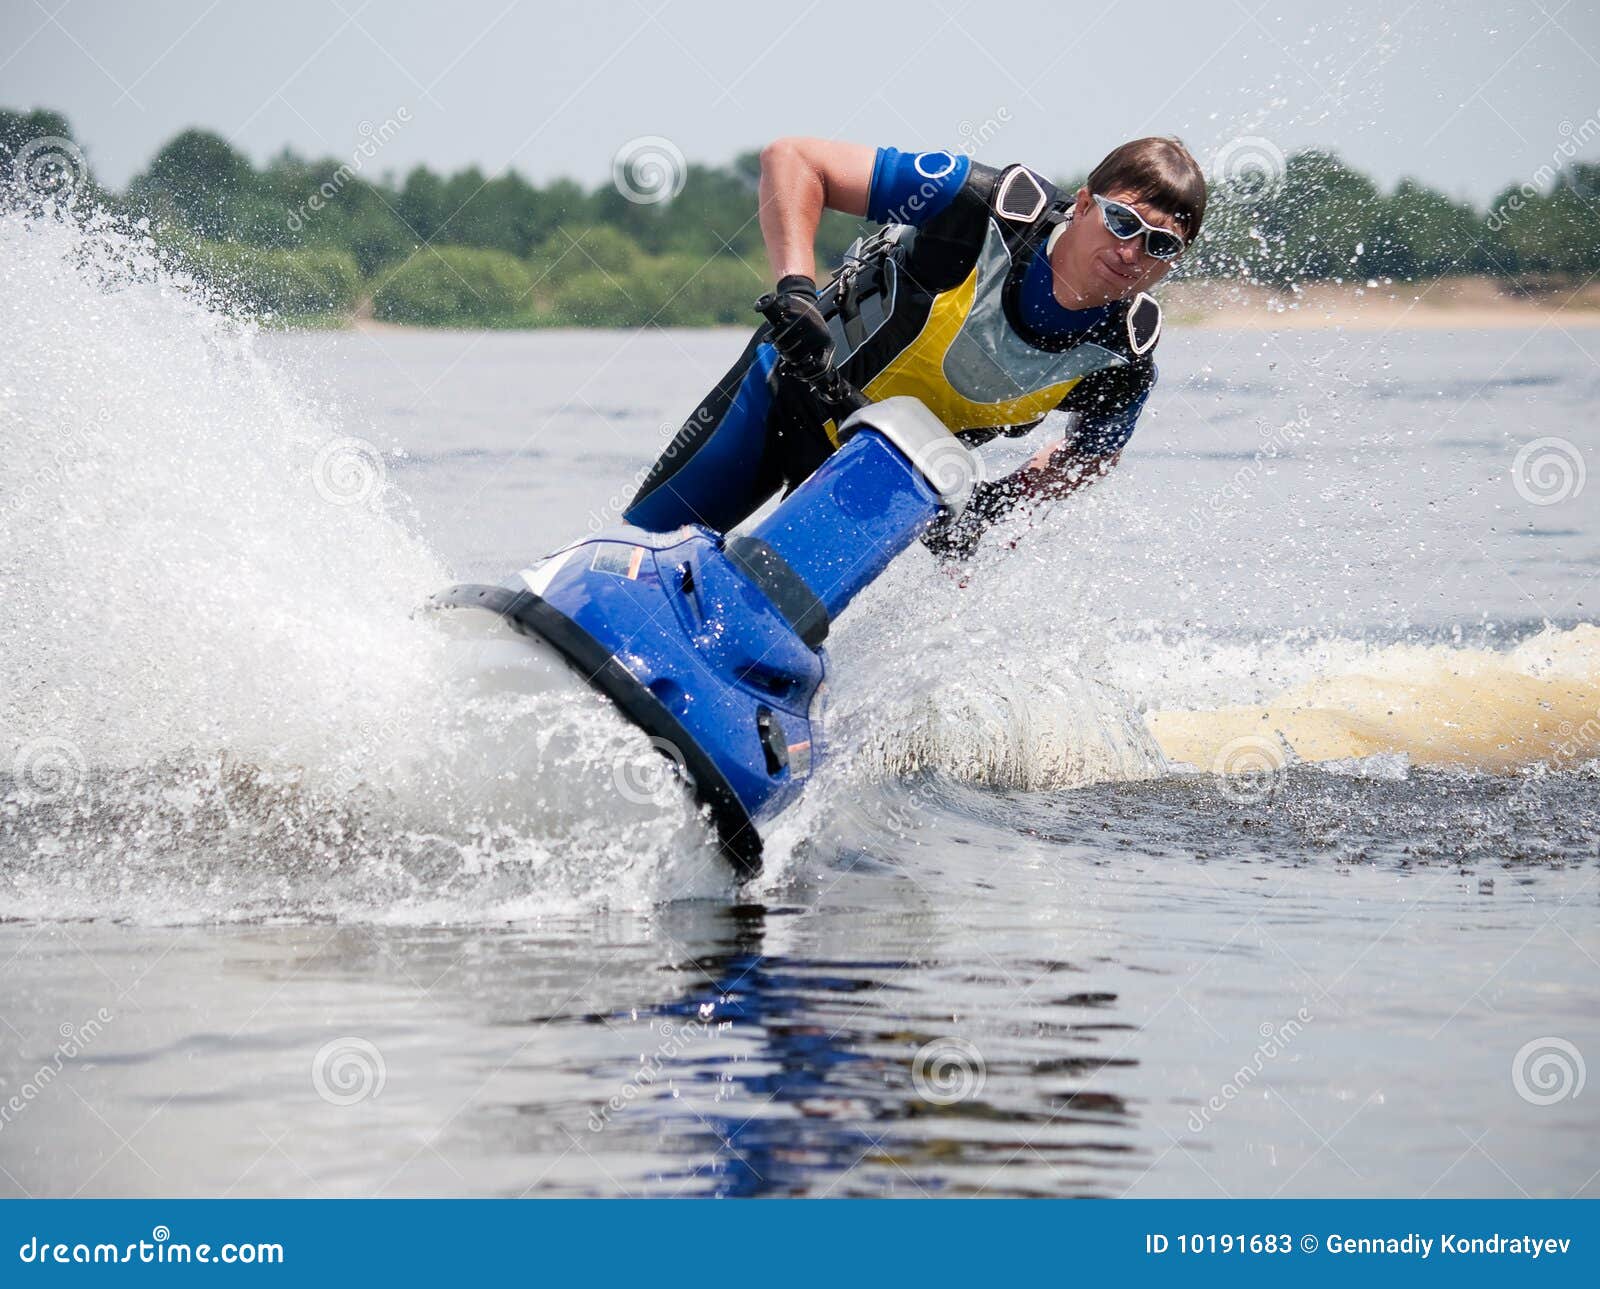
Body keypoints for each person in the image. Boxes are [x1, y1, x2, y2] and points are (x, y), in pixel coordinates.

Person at [624, 136, 1206, 559]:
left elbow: (1091, 458)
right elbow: (793, 160)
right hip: (782, 394)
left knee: (765, 617)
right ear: (1083, 205)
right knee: (644, 553)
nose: (1134, 253)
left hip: (874, 481)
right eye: (1123, 223)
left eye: (1161, 245)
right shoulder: (975, 206)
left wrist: (998, 503)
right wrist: (797, 291)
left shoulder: (1120, 359)